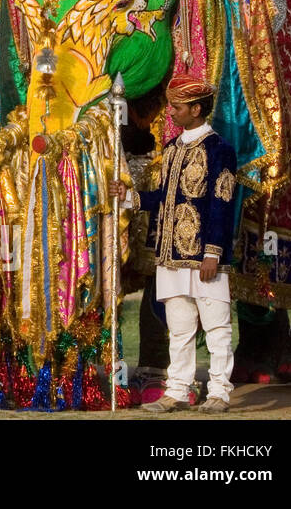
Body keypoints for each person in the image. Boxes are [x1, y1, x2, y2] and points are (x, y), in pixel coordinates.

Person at [111, 74, 237, 414]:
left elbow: (221, 205)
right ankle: (178, 390)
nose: (171, 113)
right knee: (179, 329)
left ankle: (219, 393)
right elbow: (162, 198)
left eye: (177, 107)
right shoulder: (170, 150)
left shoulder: (219, 151)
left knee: (216, 327)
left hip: (204, 255)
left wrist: (213, 251)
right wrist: (129, 198)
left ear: (197, 109)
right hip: (170, 255)